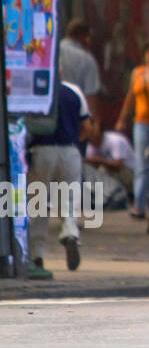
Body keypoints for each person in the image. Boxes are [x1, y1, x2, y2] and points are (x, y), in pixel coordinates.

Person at [28, 80, 94, 275]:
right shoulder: (74, 90)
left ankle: (36, 256)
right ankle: (70, 234)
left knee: (38, 204)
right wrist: (75, 141)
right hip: (70, 151)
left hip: (42, 150)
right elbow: (87, 126)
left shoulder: (36, 89)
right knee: (69, 200)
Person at [114, 40, 149, 220]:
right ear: (145, 54)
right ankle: (140, 205)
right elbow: (130, 97)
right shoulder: (138, 73)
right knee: (142, 163)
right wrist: (122, 119)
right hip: (142, 122)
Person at [58, 19, 102, 122]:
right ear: (83, 36)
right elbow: (91, 95)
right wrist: (94, 123)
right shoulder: (87, 59)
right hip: (75, 116)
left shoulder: (53, 52)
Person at [84, 127, 137, 211]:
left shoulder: (115, 140)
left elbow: (118, 166)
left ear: (100, 133)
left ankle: (116, 197)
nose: (90, 138)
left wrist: (98, 160)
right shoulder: (92, 144)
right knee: (90, 172)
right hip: (116, 174)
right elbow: (90, 167)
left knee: (103, 170)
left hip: (131, 175)